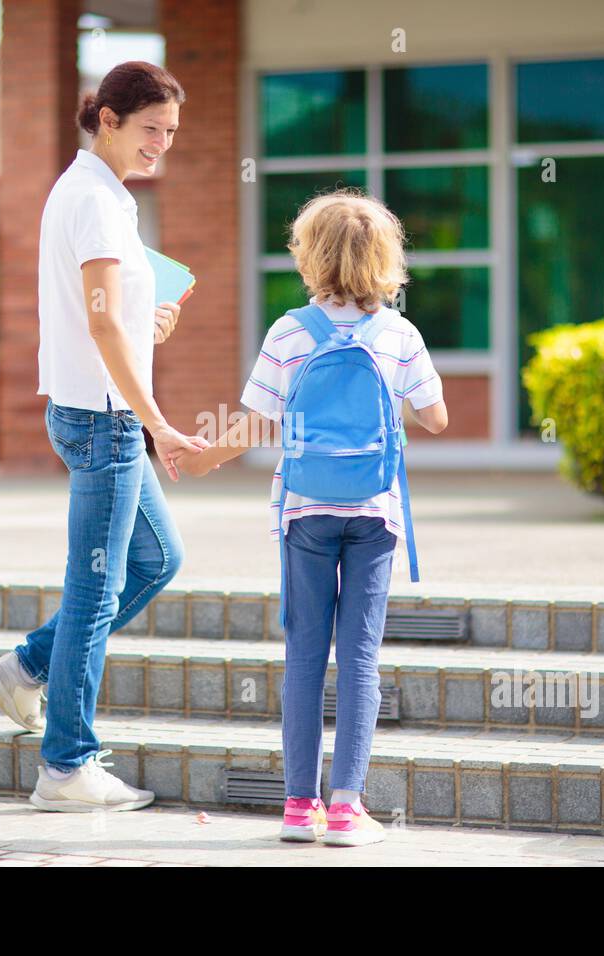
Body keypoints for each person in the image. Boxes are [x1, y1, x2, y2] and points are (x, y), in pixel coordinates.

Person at [175, 189, 448, 846]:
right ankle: (349, 810)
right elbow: (437, 418)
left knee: (304, 655)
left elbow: (257, 422)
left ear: (309, 256)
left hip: (304, 512)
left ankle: (299, 809)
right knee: (359, 658)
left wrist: (206, 458)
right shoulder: (399, 334)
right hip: (375, 513)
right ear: (387, 260)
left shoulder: (290, 331)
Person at [0, 61, 208, 812]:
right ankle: (67, 766)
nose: (160, 147)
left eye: (170, 134)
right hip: (106, 422)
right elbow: (103, 321)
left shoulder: (95, 193)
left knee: (157, 559)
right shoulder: (97, 202)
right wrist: (159, 424)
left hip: (94, 411)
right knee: (95, 590)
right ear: (107, 117)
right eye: (150, 130)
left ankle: (26, 668)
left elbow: (108, 313)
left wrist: (150, 322)